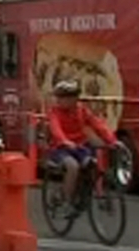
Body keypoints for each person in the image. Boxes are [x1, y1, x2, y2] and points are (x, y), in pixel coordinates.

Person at [47, 78, 118, 213]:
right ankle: (67, 200)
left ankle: (92, 193)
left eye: (68, 97)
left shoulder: (82, 111)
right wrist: (65, 141)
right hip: (61, 148)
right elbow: (56, 129)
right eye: (60, 97)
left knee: (91, 164)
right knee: (72, 166)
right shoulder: (54, 113)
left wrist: (112, 140)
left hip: (79, 146)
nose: (62, 101)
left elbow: (98, 125)